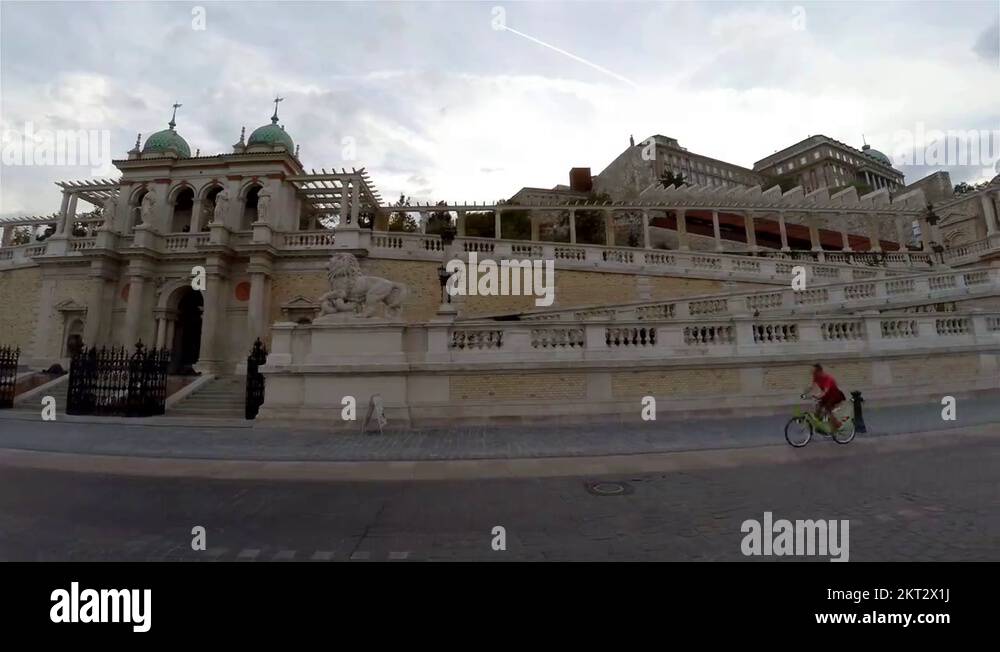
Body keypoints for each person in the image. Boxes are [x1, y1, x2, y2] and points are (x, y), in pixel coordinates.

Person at [804, 363, 847, 433]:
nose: (813, 373)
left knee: (828, 410)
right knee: (817, 411)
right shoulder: (816, 377)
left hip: (835, 395)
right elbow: (812, 386)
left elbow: (825, 392)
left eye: (814, 372)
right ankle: (821, 427)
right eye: (812, 372)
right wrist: (805, 393)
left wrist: (817, 396)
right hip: (826, 396)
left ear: (819, 371)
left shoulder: (828, 378)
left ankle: (839, 426)